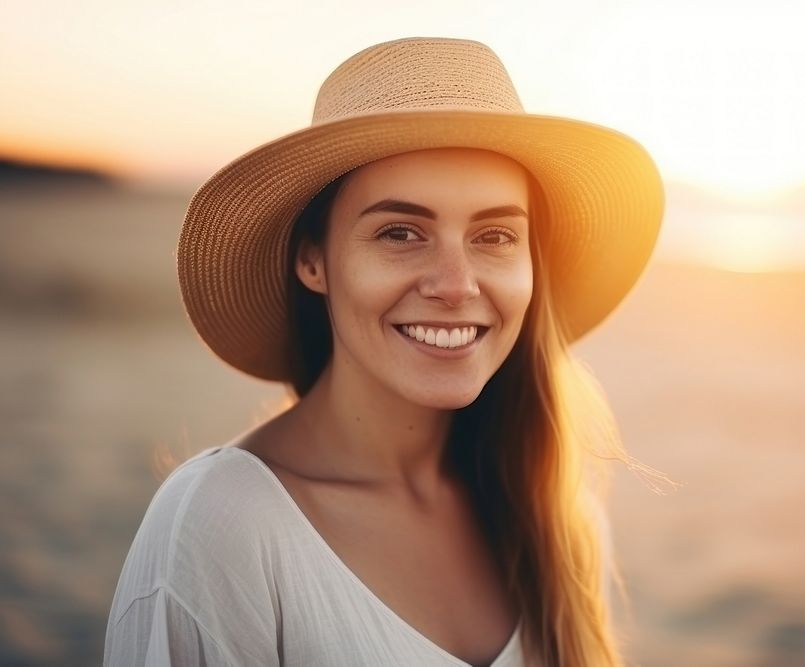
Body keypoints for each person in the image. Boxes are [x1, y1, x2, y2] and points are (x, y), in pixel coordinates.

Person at [104, 37, 664, 667]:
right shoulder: (224, 525)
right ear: (313, 260)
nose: (456, 285)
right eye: (400, 232)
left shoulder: (564, 523)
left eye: (495, 235)